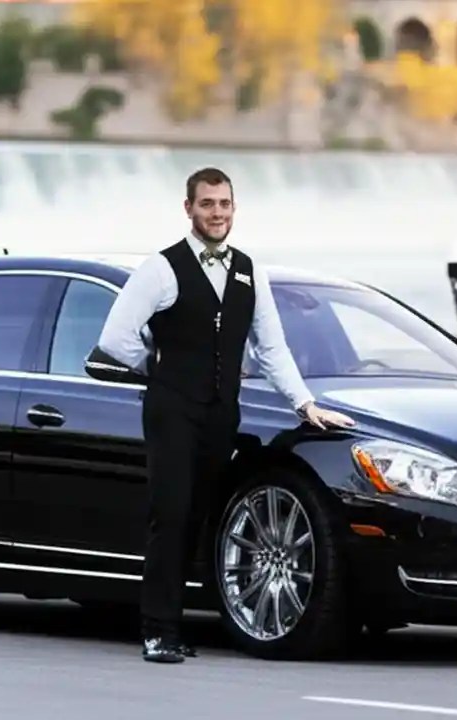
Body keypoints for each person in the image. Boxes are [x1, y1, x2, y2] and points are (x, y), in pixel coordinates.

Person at [91, 167, 356, 664]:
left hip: (221, 415)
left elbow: (272, 347)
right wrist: (158, 368)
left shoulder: (249, 270)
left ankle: (177, 622)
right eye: (207, 204)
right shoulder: (161, 268)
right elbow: (115, 340)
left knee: (198, 515)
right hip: (172, 410)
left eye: (224, 204)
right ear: (188, 208)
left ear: (234, 208)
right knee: (169, 515)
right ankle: (157, 631)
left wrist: (305, 404)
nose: (217, 213)